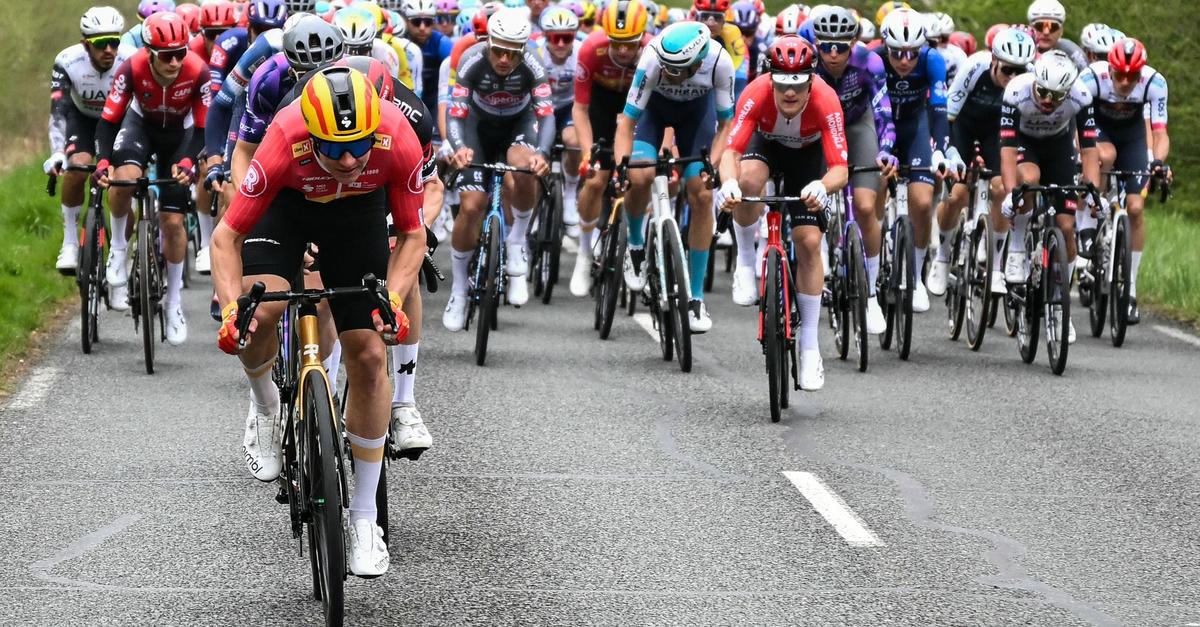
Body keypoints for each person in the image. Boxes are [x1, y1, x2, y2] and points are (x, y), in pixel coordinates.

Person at [211, 66, 426, 577]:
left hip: (356, 218)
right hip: (286, 209)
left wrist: (392, 300)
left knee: (371, 353)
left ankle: (366, 519)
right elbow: (225, 239)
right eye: (334, 148)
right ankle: (265, 410)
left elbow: (413, 237)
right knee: (264, 311)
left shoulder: (398, 138)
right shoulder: (284, 136)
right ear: (311, 132)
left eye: (359, 147)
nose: (349, 159)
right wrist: (229, 310)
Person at [716, 35, 848, 390]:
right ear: (770, 79)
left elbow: (839, 168)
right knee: (747, 181)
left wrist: (822, 186)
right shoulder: (756, 93)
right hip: (767, 147)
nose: (790, 94)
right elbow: (731, 152)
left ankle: (809, 348)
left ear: (811, 82)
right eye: (783, 85)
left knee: (807, 242)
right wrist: (728, 183)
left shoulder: (826, 99)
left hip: (808, 157)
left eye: (799, 86)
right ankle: (745, 261)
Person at [92, 12, 210, 344]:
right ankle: (118, 248)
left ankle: (173, 301)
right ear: (148, 53)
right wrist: (102, 161)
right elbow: (108, 120)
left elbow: (204, 127)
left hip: (181, 137)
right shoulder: (131, 68)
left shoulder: (198, 71)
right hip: (140, 127)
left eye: (180, 52)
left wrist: (190, 160)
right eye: (166, 55)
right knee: (124, 178)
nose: (175, 61)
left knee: (173, 223)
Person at [614, 20, 736, 333]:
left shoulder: (720, 62)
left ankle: (695, 297)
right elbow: (627, 123)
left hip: (697, 118)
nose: (667, 72)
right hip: (653, 115)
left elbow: (726, 127)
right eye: (665, 67)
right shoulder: (652, 58)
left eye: (676, 68)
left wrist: (714, 164)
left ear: (697, 63)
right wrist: (621, 167)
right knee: (640, 176)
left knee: (702, 193)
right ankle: (637, 246)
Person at [443, 8, 554, 326]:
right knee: (472, 206)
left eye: (512, 53)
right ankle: (460, 290)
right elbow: (456, 114)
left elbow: (546, 115)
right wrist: (459, 147)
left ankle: (518, 239)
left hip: (518, 125)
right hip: (477, 129)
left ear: (523, 50)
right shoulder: (471, 61)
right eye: (498, 50)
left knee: (525, 167)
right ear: (489, 43)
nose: (504, 59)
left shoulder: (534, 65)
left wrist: (542, 153)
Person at [999, 50, 1100, 344]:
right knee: (1027, 182)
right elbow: (1005, 149)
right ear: (1035, 82)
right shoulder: (1016, 90)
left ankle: (1061, 305)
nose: (1047, 100)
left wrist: (1092, 193)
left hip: (1058, 149)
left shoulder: (1081, 96)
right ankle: (1017, 247)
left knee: (1067, 227)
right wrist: (1009, 194)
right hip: (1024, 145)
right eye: (1042, 92)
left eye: (1056, 97)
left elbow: (1090, 148)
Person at [809, 5, 894, 334]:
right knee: (815, 199)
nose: (833, 54)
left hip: (858, 124)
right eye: (826, 46)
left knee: (864, 205)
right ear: (816, 44)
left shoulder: (869, 62)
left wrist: (887, 147)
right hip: (817, 131)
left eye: (841, 47)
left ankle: (871, 294)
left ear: (853, 44)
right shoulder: (810, 62)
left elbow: (883, 112)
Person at [932, 27, 1035, 297]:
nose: (1013, 77)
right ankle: (941, 257)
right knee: (957, 195)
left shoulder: (1031, 78)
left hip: (997, 132)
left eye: (1019, 72)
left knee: (1002, 189)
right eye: (1007, 70)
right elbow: (948, 115)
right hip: (964, 125)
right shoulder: (974, 66)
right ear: (994, 61)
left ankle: (996, 263)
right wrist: (948, 151)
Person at [1079, 38, 1170, 324]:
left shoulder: (1154, 82)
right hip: (1098, 132)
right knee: (1105, 155)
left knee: (1135, 208)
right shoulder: (1092, 77)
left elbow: (1159, 132)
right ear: (1111, 68)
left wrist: (1157, 161)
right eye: (1120, 74)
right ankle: (1091, 223)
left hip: (1131, 138)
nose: (1126, 81)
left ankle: (1129, 290)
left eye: (1132, 75)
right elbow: (1075, 122)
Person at [876, 8, 959, 313]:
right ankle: (873, 253)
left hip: (915, 127)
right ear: (886, 46)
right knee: (872, 191)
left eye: (912, 53)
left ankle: (916, 276)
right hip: (878, 127)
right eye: (897, 53)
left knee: (923, 203)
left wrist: (940, 148)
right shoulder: (873, 59)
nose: (904, 61)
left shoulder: (933, 60)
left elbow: (938, 109)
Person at [568, 0, 650, 298]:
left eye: (630, 43)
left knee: (641, 176)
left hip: (638, 109)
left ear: (642, 36)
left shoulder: (654, 52)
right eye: (617, 43)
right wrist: (588, 151)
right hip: (601, 108)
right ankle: (585, 254)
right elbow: (579, 109)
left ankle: (636, 245)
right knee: (595, 180)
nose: (624, 50)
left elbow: (663, 108)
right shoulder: (591, 49)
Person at [46, 6, 128, 275]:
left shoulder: (131, 59)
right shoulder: (68, 62)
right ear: (85, 45)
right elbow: (58, 110)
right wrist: (58, 152)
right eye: (101, 43)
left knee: (121, 185)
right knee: (76, 167)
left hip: (118, 122)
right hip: (82, 119)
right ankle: (70, 242)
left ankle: (121, 255)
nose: (109, 50)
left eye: (114, 42)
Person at [535, 7, 584, 231]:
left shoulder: (582, 54)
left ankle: (571, 192)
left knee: (574, 143)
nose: (561, 44)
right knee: (534, 151)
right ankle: (532, 207)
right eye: (556, 38)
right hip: (538, 107)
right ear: (546, 36)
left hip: (567, 107)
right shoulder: (535, 53)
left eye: (567, 38)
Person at [1025, 0, 1087, 70]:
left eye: (1053, 26)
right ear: (1030, 27)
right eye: (1040, 26)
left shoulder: (1072, 52)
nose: (1046, 32)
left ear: (1061, 30)